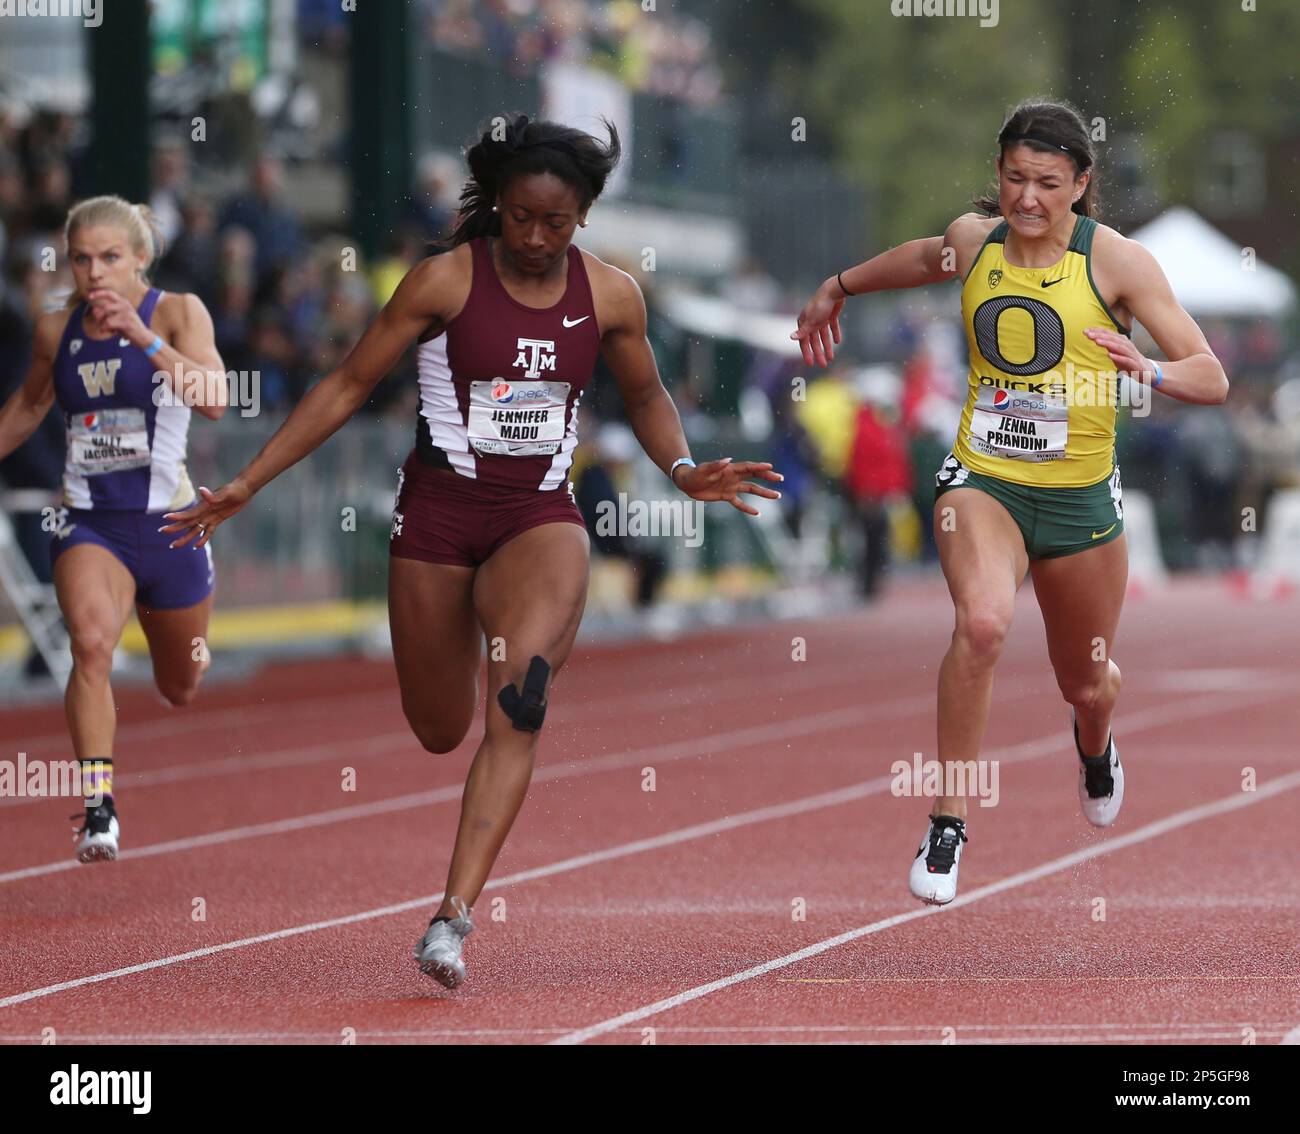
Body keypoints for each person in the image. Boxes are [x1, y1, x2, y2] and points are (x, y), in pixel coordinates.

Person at [163, 114, 782, 987]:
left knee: (520, 699)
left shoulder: (609, 296)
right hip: (437, 518)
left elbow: (644, 395)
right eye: (521, 216)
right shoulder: (443, 283)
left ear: (583, 220)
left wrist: (681, 466)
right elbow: (346, 383)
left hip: (539, 516)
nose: (534, 238)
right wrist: (248, 480)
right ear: (496, 204)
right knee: (439, 727)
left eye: (555, 224)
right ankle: (450, 826)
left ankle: (451, 918)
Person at [792, 99, 1228, 905]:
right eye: (1015, 178)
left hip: (1080, 501)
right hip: (983, 480)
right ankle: (949, 821)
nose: (1028, 198)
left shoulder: (1119, 264)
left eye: (1048, 183)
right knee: (983, 623)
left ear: (1081, 184)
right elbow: (925, 257)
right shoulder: (975, 241)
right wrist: (838, 286)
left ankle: (1094, 747)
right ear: (997, 175)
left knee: (1087, 684)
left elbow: (1211, 373)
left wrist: (1152, 370)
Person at [0, 194, 228, 861]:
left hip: (171, 527)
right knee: (92, 644)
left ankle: (189, 650)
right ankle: (99, 808)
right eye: (80, 259)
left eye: (109, 258)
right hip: (90, 523)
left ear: (139, 259)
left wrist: (143, 338)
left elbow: (215, 400)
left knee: (179, 686)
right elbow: (25, 409)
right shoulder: (55, 331)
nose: (94, 273)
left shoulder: (180, 313)